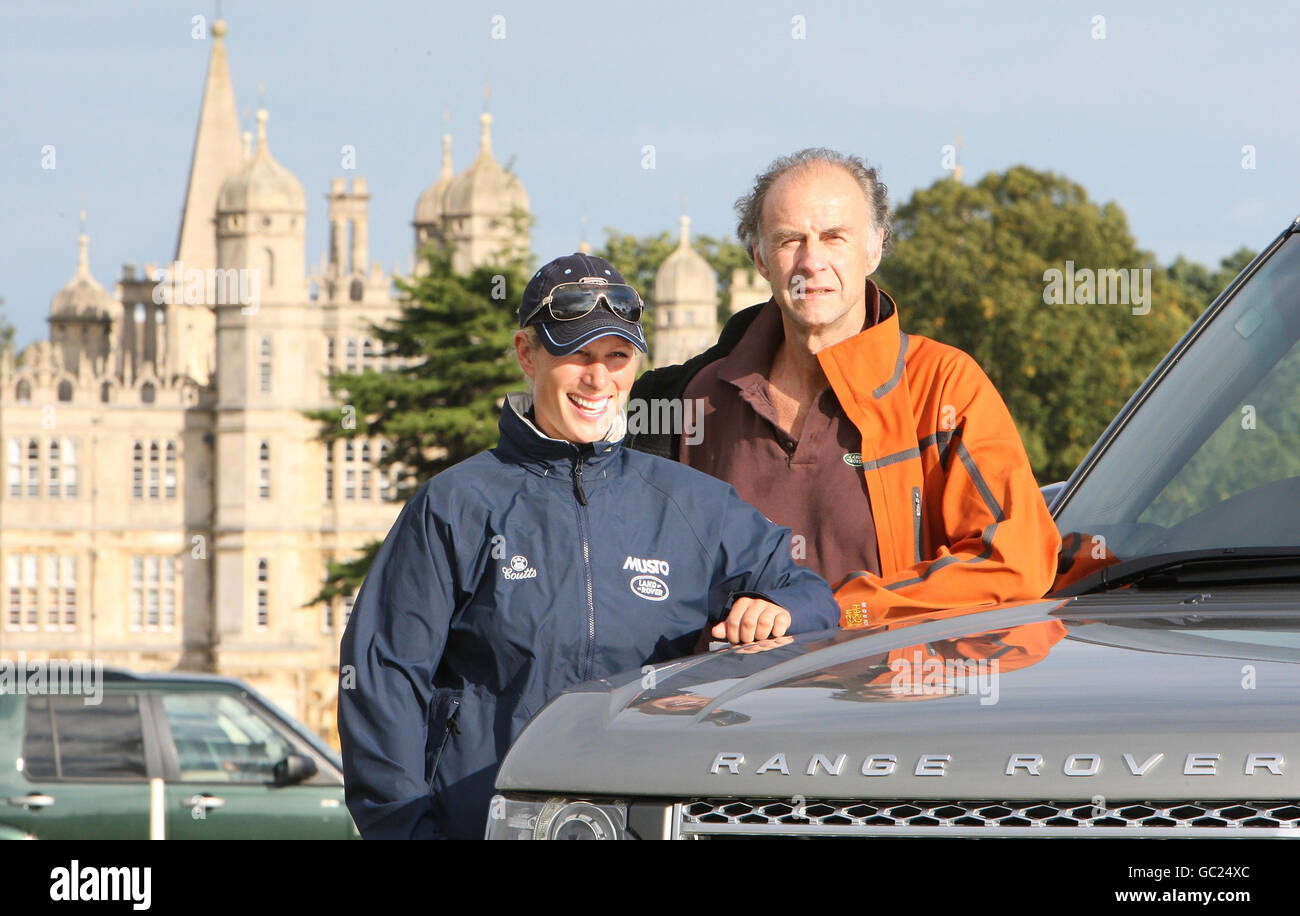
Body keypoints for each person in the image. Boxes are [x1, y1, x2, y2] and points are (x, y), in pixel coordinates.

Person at [337, 253, 840, 839]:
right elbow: (381, 679)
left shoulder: (691, 503)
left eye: (616, 357)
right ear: (527, 354)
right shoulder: (454, 504)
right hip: (484, 823)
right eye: (576, 354)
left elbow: (811, 595)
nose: (598, 379)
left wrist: (781, 610)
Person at [628, 149, 1061, 628]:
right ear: (761, 259)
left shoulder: (942, 386)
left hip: (886, 693)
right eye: (790, 239)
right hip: (735, 697)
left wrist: (839, 610)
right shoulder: (695, 400)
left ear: (874, 248)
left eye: (835, 237)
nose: (812, 261)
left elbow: (1015, 562)